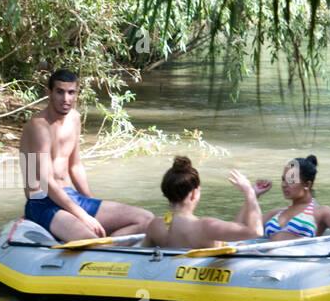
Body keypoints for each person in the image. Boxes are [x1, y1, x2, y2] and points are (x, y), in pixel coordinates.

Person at [19, 69, 153, 240]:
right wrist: (83, 216)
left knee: (146, 219)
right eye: (60, 92)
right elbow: (46, 182)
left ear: (76, 94)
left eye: (71, 92)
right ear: (49, 93)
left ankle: (108, 250)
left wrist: (91, 203)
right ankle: (101, 248)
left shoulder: (74, 118)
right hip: (41, 202)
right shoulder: (38, 127)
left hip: (71, 196)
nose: (66, 99)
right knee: (89, 239)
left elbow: (74, 166)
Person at [141, 156, 266, 249]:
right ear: (194, 193)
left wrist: (253, 195)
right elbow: (255, 231)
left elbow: (142, 256)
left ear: (166, 192)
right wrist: (248, 191)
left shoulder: (155, 226)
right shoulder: (205, 226)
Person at [261, 155, 330, 240]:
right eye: (283, 179)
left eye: (291, 180)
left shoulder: (322, 212)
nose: (284, 184)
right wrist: (253, 194)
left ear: (307, 185)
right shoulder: (276, 213)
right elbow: (244, 228)